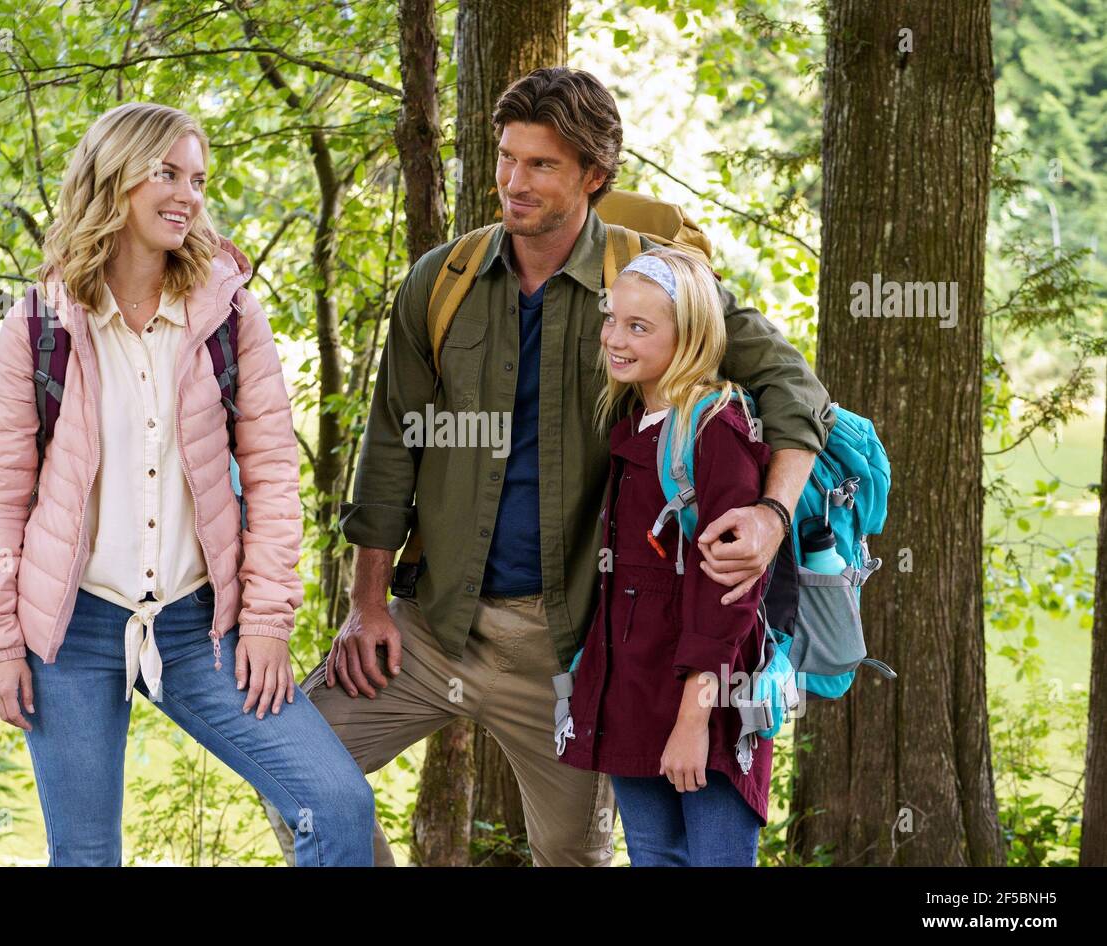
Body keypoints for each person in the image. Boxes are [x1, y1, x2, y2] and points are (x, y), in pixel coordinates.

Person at [304, 66, 833, 866]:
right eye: (506, 158)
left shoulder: (656, 283)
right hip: (431, 625)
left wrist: (772, 513)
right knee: (298, 772)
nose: (513, 183)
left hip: (569, 648)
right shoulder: (439, 283)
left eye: (541, 165)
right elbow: (388, 452)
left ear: (594, 175)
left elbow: (793, 385)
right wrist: (366, 602)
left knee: (572, 859)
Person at [0, 102, 374, 866]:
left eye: (198, 179)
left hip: (202, 627)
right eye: (166, 173)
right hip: (72, 630)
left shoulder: (229, 316)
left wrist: (265, 623)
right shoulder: (38, 327)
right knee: (85, 856)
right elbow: (0, 495)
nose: (187, 194)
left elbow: (275, 474)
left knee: (338, 805)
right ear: (113, 179)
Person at [559, 247, 773, 866]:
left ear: (689, 337)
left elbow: (729, 590)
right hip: (633, 692)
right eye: (611, 320)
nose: (614, 339)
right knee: (653, 856)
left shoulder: (716, 431)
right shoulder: (637, 420)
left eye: (639, 327)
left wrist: (693, 719)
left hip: (706, 701)